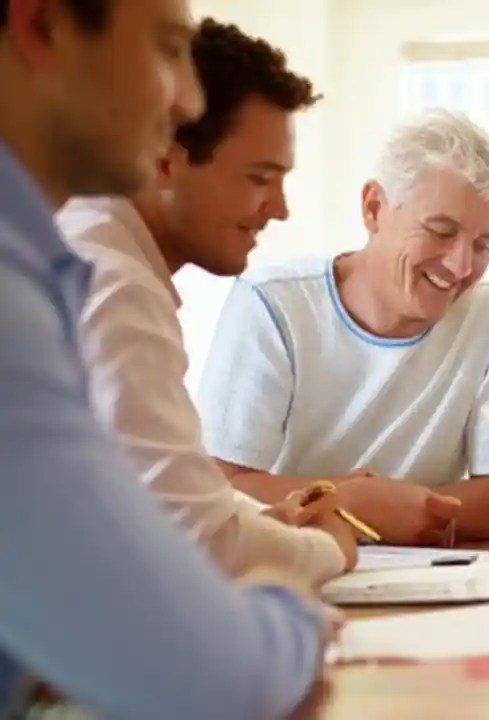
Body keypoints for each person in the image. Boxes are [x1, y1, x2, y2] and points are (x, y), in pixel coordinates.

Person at [0, 0, 333, 717]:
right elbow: (215, 677)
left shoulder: (48, 266)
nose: (185, 98)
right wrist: (298, 596)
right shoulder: (44, 290)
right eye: (166, 48)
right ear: (42, 24)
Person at [57, 18, 358, 583]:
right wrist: (331, 547)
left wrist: (257, 519)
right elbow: (199, 543)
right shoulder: (114, 285)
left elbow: (156, 500)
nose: (280, 209)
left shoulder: (95, 252)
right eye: (259, 178)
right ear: (166, 159)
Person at [197, 108, 489, 546]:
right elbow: (218, 486)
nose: (460, 266)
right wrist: (350, 502)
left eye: (483, 245)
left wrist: (382, 507)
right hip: (295, 568)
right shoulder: (272, 304)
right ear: (374, 208)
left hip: (433, 582)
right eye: (440, 231)